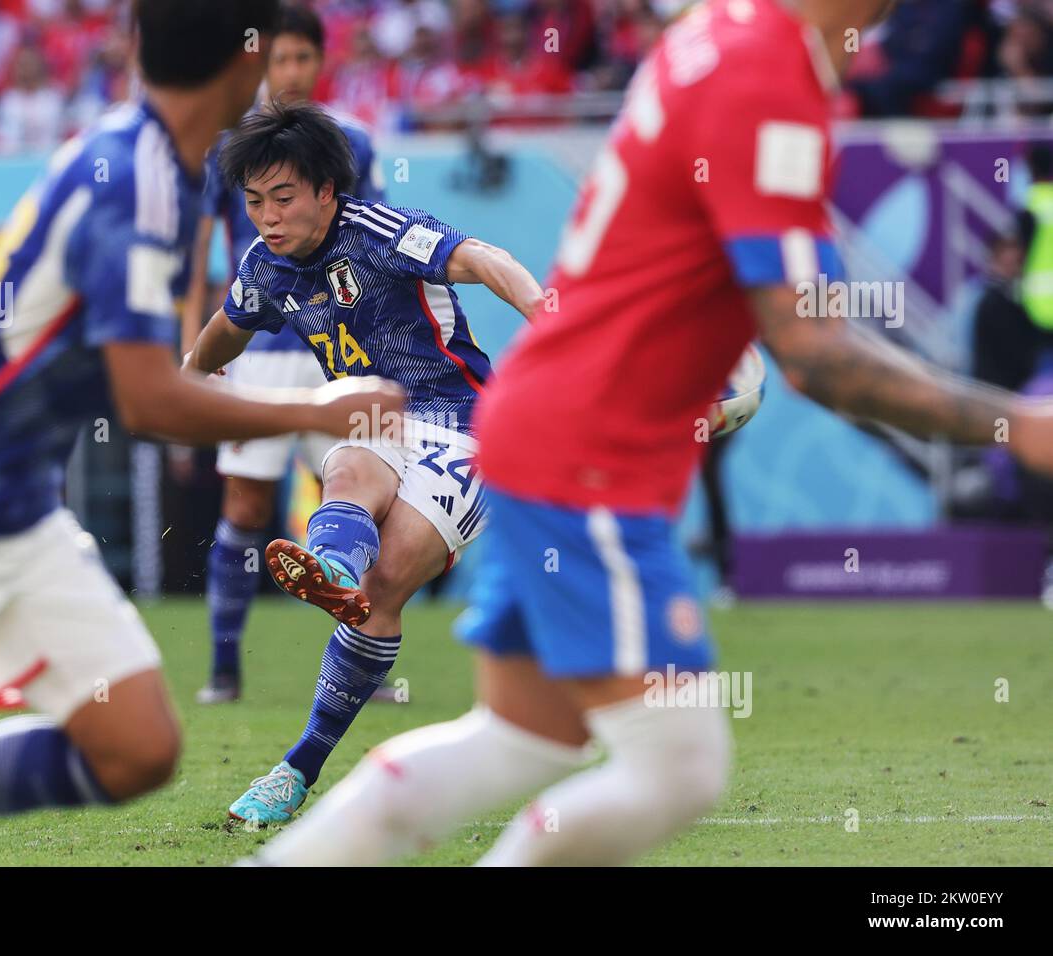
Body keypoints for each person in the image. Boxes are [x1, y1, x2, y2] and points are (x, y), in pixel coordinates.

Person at [253, 0, 1053, 867]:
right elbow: (814, 353)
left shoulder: (719, 38)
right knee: (682, 768)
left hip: (543, 426)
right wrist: (1015, 423)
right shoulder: (765, 71)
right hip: (585, 457)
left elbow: (740, 288)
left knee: (525, 737)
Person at [0, 0, 403, 868]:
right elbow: (145, 400)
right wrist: (313, 413)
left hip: (17, 507)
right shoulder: (130, 178)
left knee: (137, 748)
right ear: (247, 69)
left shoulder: (160, 169)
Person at [185, 101, 543, 825]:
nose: (268, 217)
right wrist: (189, 375)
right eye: (254, 202)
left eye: (283, 198)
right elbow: (227, 331)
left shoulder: (379, 231)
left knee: (388, 588)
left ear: (327, 191)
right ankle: (332, 568)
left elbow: (483, 259)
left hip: (464, 427)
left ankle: (300, 764)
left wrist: (548, 312)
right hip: (370, 413)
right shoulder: (265, 268)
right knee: (350, 434)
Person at [184, 3, 387, 706]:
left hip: (339, 356)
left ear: (319, 62)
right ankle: (223, 668)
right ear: (259, 62)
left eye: (304, 58)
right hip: (262, 353)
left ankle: (368, 665)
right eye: (280, 59)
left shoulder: (352, 142)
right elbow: (205, 254)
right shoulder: (228, 147)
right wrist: (197, 349)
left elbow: (377, 248)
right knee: (244, 505)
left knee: (373, 505)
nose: (292, 71)